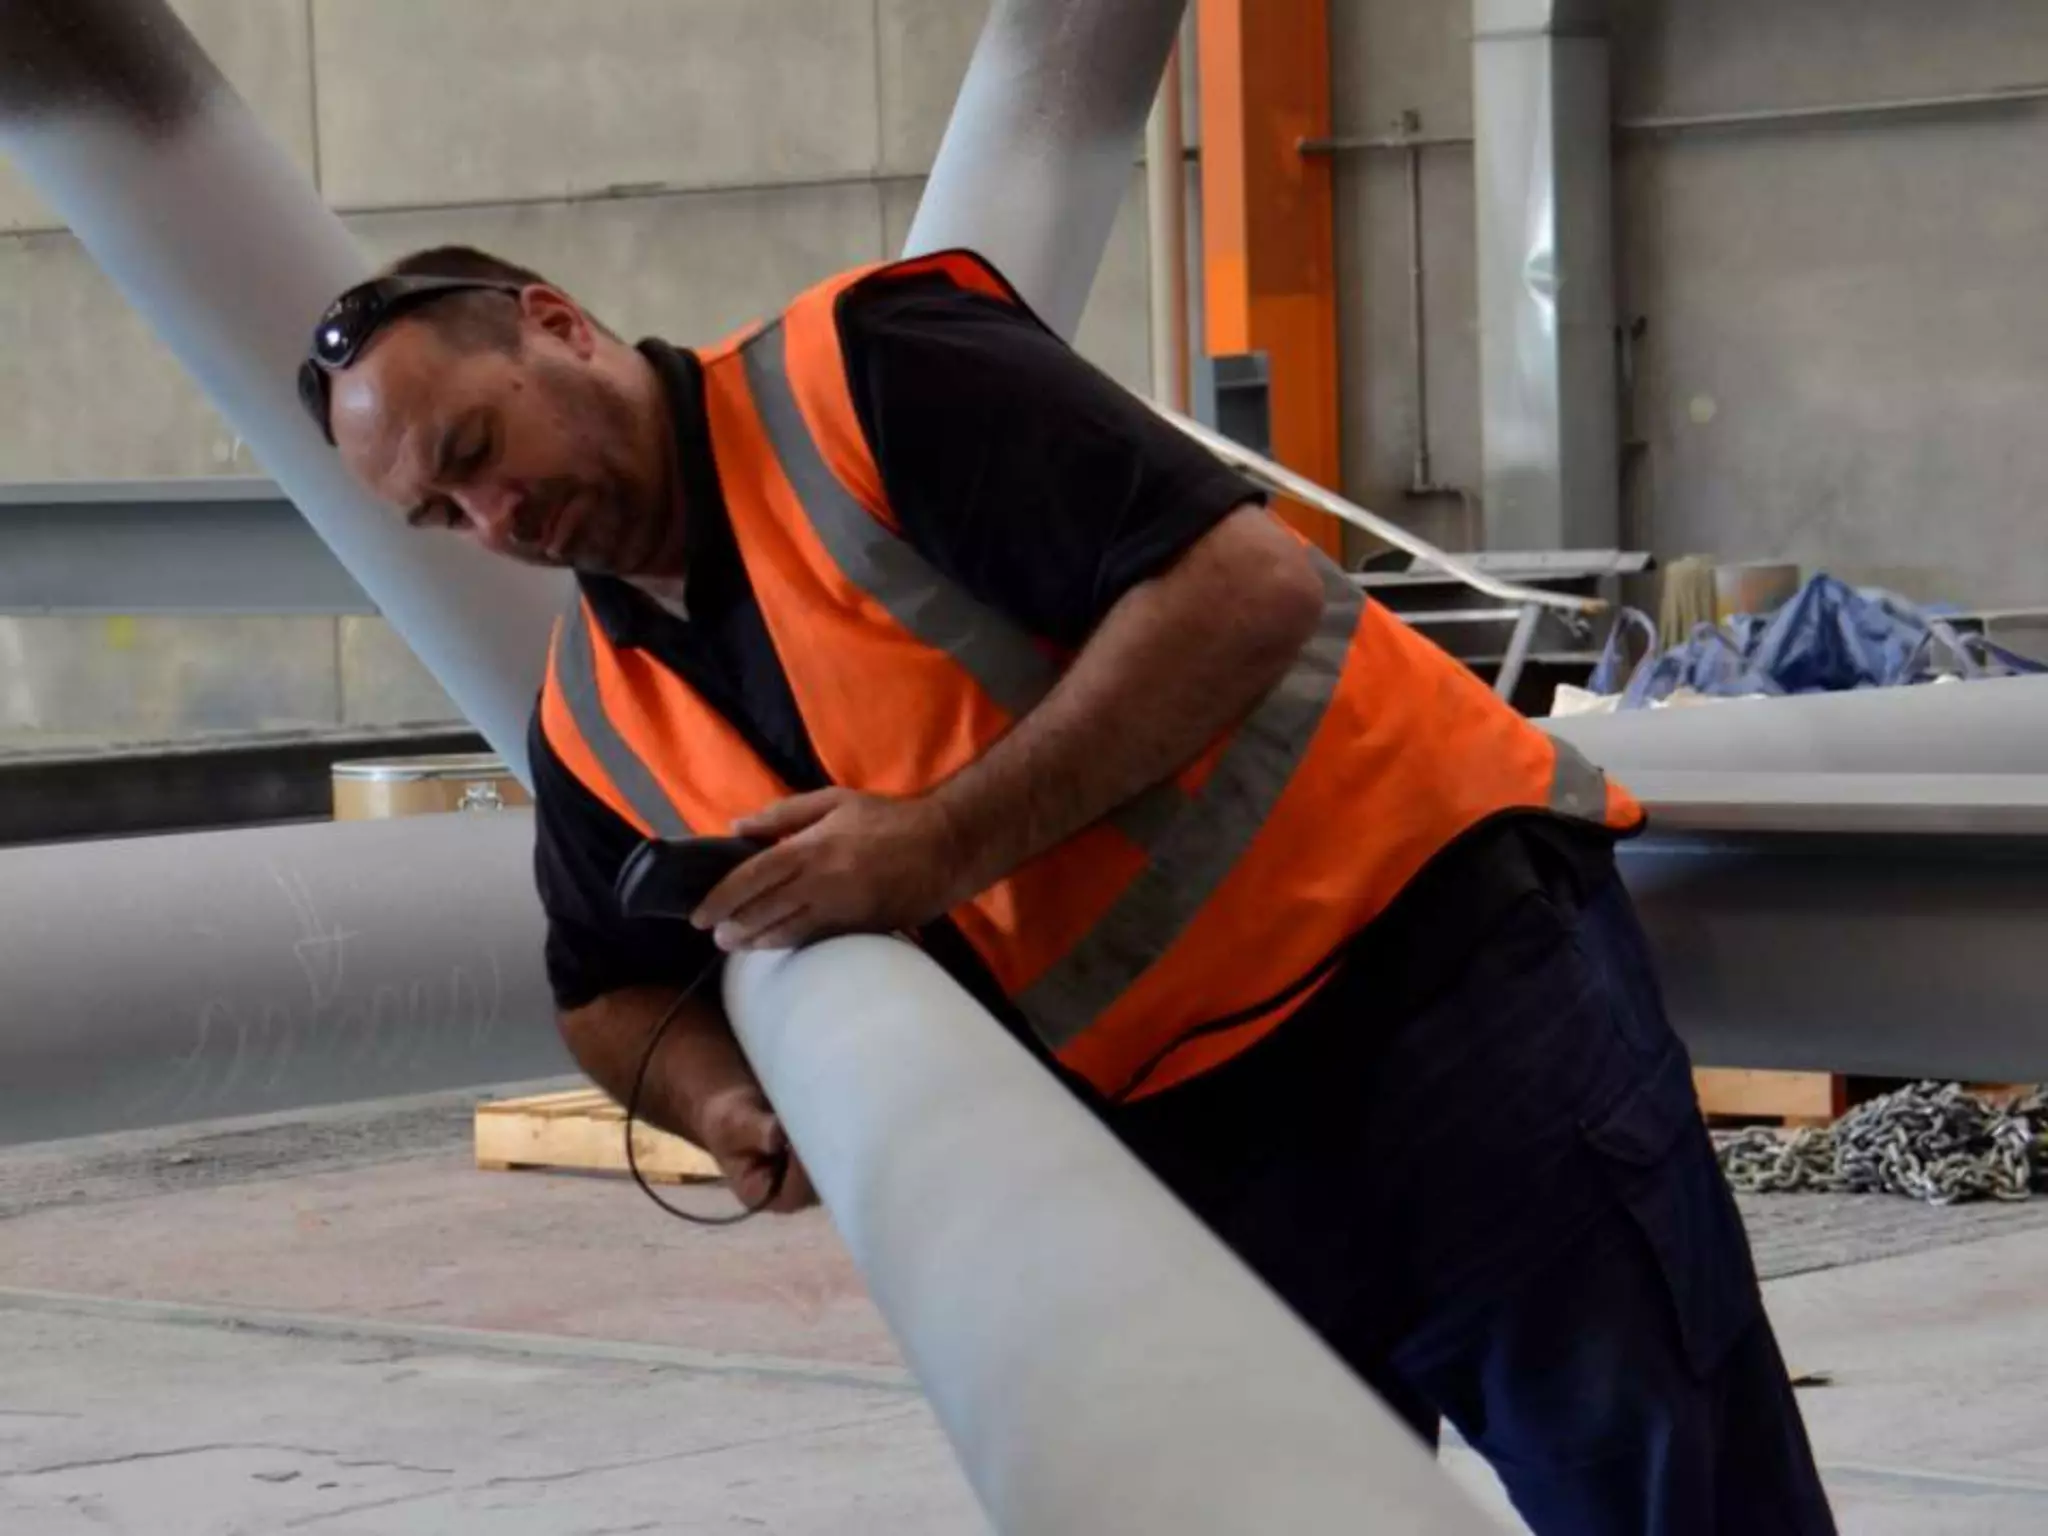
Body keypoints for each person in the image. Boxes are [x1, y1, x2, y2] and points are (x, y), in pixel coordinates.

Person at [301, 244, 1836, 1534]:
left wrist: (933, 844)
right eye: (438, 517)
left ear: (558, 326)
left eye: (475, 452)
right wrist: (726, 1104)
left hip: (1443, 1003)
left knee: (1669, 1496)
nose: (492, 523)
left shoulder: (861, 379)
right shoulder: (596, 714)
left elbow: (1245, 589)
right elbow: (602, 988)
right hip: (1180, 1157)